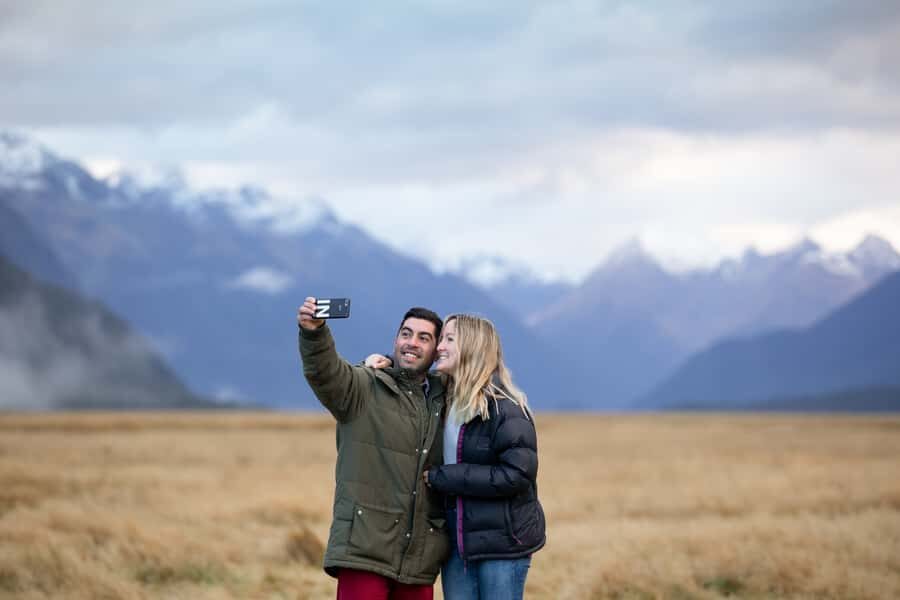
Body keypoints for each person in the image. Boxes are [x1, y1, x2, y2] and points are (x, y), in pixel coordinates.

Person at [367, 314, 546, 600]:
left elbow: (517, 475)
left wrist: (445, 477)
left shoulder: (506, 408)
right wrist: (387, 361)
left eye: (449, 339)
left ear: (472, 348)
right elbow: (411, 374)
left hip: (503, 546)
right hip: (458, 546)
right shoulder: (445, 398)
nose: (439, 346)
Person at [297, 298, 450, 600]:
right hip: (364, 551)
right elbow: (326, 373)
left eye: (424, 338)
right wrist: (314, 333)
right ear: (395, 340)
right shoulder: (364, 386)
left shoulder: (445, 401)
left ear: (435, 352)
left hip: (418, 558)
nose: (412, 343)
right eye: (406, 334)